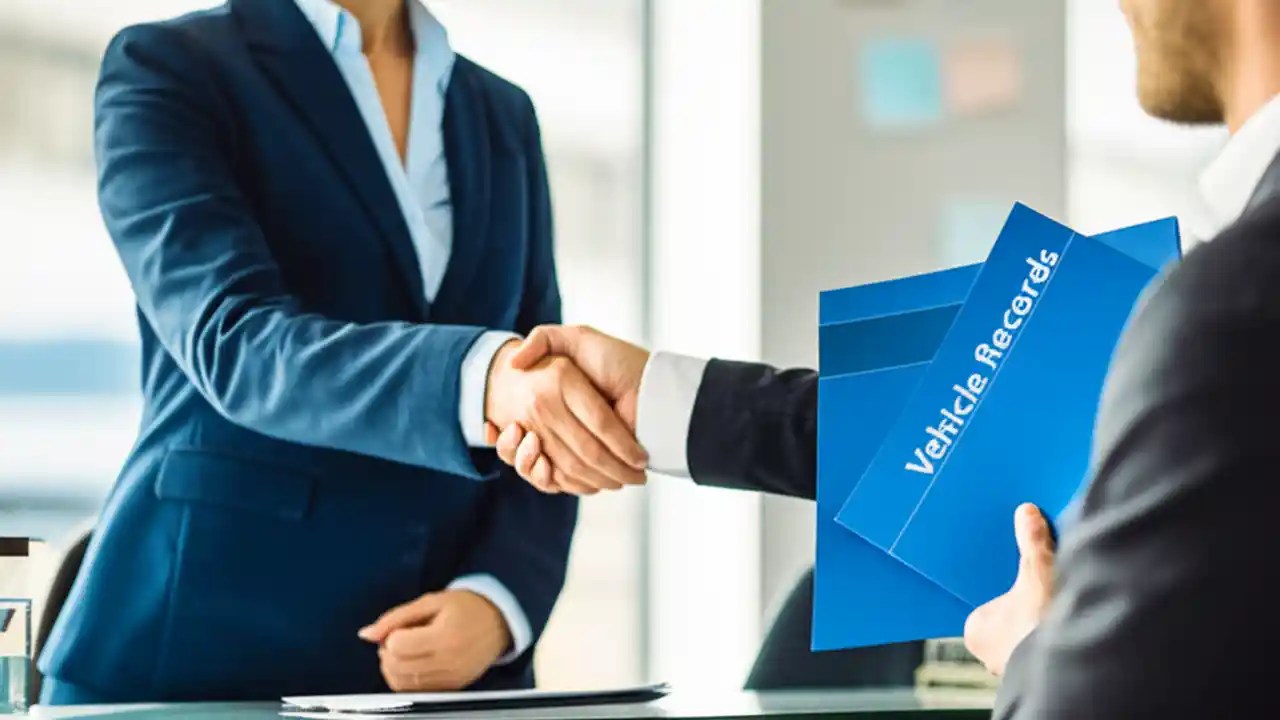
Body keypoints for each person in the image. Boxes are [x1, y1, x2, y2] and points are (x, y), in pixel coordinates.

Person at [496, 0, 1280, 715]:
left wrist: (1034, 653)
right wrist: (660, 404)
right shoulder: (1226, 281)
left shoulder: (1233, 296)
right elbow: (987, 439)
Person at [39, 0, 647, 704]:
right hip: (198, 660)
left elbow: (542, 373)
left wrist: (498, 602)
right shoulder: (171, 68)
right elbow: (236, 342)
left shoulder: (501, 113)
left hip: (434, 683)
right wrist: (483, 382)